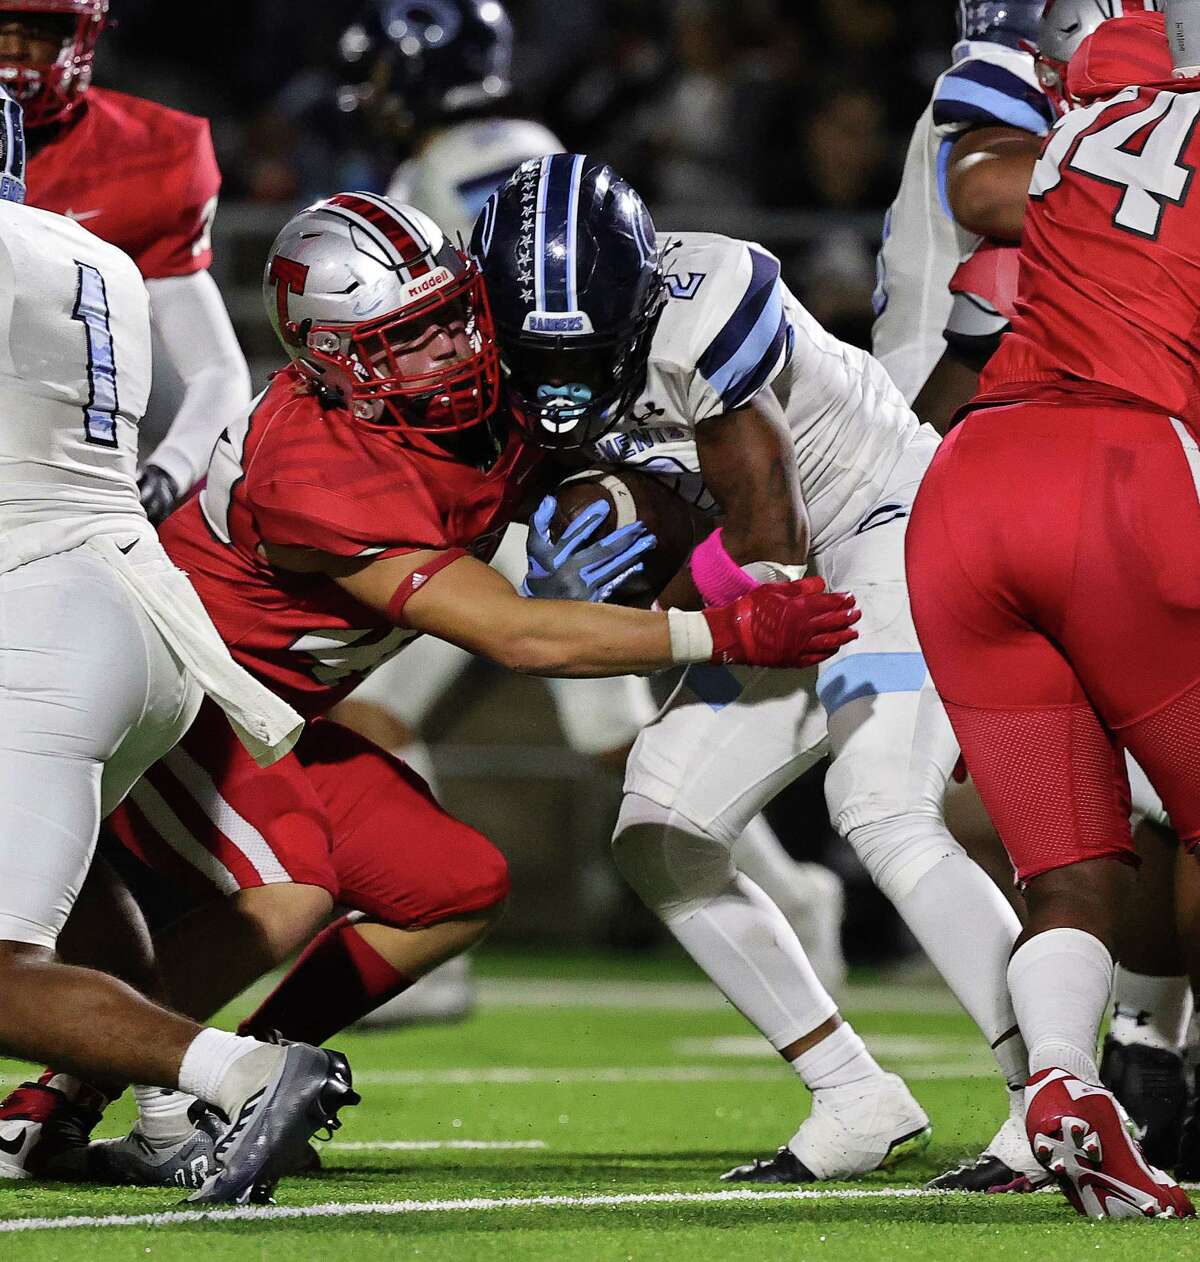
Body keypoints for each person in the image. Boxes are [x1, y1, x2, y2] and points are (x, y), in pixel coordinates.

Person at [0, 191, 857, 1187]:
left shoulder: (487, 386)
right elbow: (511, 631)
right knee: (289, 890)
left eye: (452, 316)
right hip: (199, 695)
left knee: (451, 885)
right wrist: (719, 624)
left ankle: (244, 1079)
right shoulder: (313, 465)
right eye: (408, 339)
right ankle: (69, 1098)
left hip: (280, 720)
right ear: (335, 357)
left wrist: (603, 501)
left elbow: (590, 474)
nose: (450, 351)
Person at [473, 154, 1041, 1187]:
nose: (556, 383)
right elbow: (578, 493)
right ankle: (853, 1091)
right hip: (766, 570)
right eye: (533, 358)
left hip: (889, 526)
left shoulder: (710, 305)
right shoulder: (499, 352)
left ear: (636, 301)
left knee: (881, 803)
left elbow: (769, 535)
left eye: (583, 352)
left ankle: (1051, 1094)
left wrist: (652, 601)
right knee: (660, 829)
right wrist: (580, 536)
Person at [336, 0, 848, 1023]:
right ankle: (418, 936)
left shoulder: (498, 156)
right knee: (378, 704)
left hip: (546, 481)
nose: (376, 100)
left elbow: (547, 322)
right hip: (513, 485)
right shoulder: (480, 148)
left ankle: (795, 896)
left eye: (388, 76)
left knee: (608, 726)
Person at [0, 84, 358, 1205]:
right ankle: (168, 1118)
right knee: (85, 887)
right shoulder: (88, 249)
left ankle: (245, 1072)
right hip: (132, 612)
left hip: (42, 619)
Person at [904, 5, 1200, 1218]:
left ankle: (1066, 1090)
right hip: (1125, 478)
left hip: (971, 484)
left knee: (1067, 867)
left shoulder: (1072, 139)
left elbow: (983, 202)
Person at [0, 0, 252, 521]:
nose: (14, 52)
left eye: (38, 31)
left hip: (80, 438)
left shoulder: (149, 154)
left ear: (84, 34)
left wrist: (165, 476)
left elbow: (215, 370)